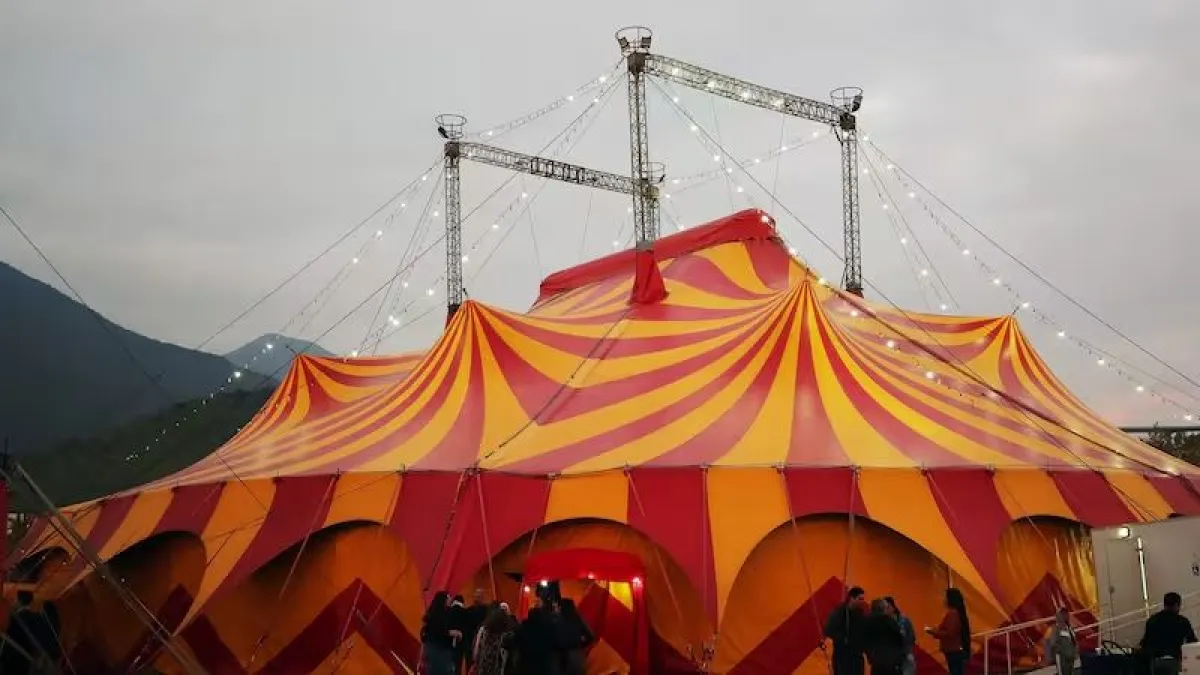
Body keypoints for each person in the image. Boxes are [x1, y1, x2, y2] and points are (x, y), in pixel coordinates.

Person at [1140, 592, 1197, 675]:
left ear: (1164, 604)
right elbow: (1192, 641)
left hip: (1156, 662)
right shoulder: (1182, 621)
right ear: (1177, 605)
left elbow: (1145, 642)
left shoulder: (1152, 620)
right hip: (1174, 661)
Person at [926, 588, 971, 675]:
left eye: (945, 597)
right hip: (955, 650)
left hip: (953, 650)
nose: (944, 599)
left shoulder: (953, 614)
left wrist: (932, 631)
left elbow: (949, 633)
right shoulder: (957, 613)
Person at [825, 587, 869, 675]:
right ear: (852, 598)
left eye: (863, 599)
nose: (862, 601)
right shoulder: (840, 612)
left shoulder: (861, 614)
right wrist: (844, 639)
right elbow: (828, 629)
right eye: (860, 599)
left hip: (857, 657)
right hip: (842, 656)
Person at [422, 591, 463, 675]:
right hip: (440, 650)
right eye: (447, 597)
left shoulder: (435, 614)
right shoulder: (437, 615)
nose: (450, 599)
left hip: (436, 649)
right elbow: (439, 630)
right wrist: (452, 633)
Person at [862, 598, 906, 675]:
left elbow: (864, 642)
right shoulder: (889, 621)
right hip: (890, 662)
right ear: (883, 608)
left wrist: (870, 657)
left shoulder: (866, 622)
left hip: (876, 662)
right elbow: (900, 639)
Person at [474, 607, 517, 675]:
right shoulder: (505, 636)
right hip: (497, 670)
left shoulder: (483, 631)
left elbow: (476, 652)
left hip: (483, 668)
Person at [557, 597, 595, 675]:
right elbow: (590, 636)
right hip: (576, 656)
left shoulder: (557, 620)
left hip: (560, 657)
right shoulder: (578, 619)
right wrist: (581, 644)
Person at [885, 597, 917, 675]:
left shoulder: (904, 620)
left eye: (887, 607)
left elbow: (911, 637)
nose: (886, 610)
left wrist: (908, 652)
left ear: (893, 607)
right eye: (884, 608)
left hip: (905, 655)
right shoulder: (883, 622)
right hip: (890, 658)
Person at [1044, 608, 1077, 675]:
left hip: (1070, 657)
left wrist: (1074, 652)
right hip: (1062, 658)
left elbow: (1074, 641)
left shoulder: (1070, 628)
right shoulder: (1055, 628)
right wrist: (1064, 652)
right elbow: (1053, 644)